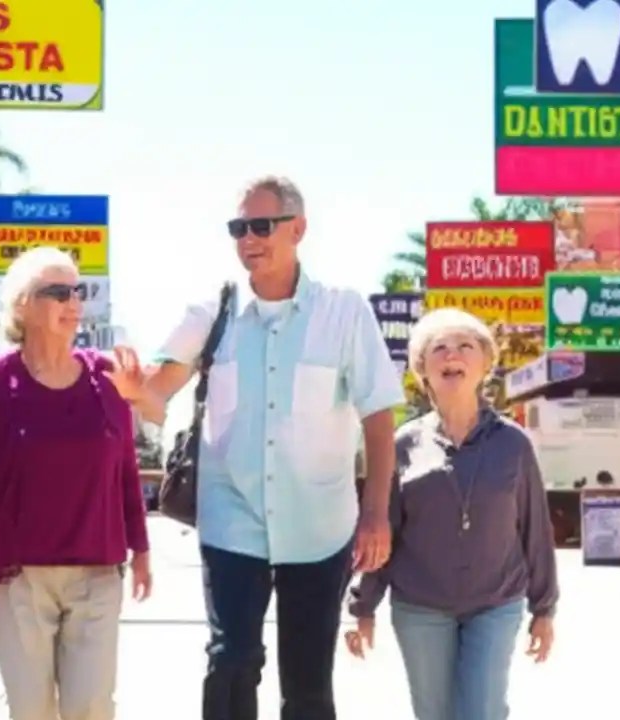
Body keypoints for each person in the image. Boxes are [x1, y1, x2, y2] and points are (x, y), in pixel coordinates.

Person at [107, 176, 404, 720]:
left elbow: (379, 418)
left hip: (320, 526)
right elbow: (158, 389)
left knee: (308, 684)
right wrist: (135, 391)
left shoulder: (344, 313)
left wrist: (377, 510)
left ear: (299, 228)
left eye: (261, 226)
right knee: (231, 659)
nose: (249, 239)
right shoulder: (211, 314)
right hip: (232, 519)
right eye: (238, 228)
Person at [0, 247, 152, 720]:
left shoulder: (107, 377)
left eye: (79, 291)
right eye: (58, 292)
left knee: (89, 707)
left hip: (97, 571)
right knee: (31, 711)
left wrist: (143, 549)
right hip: (18, 578)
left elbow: (125, 470)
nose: (73, 303)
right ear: (23, 305)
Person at [344, 308, 559, 720]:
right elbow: (382, 531)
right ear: (422, 369)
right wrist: (363, 608)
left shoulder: (514, 445)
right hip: (421, 606)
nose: (451, 355)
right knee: (435, 714)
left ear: (485, 364)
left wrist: (544, 609)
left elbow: (535, 530)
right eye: (438, 348)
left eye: (465, 346)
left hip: (495, 603)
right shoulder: (403, 444)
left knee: (481, 710)